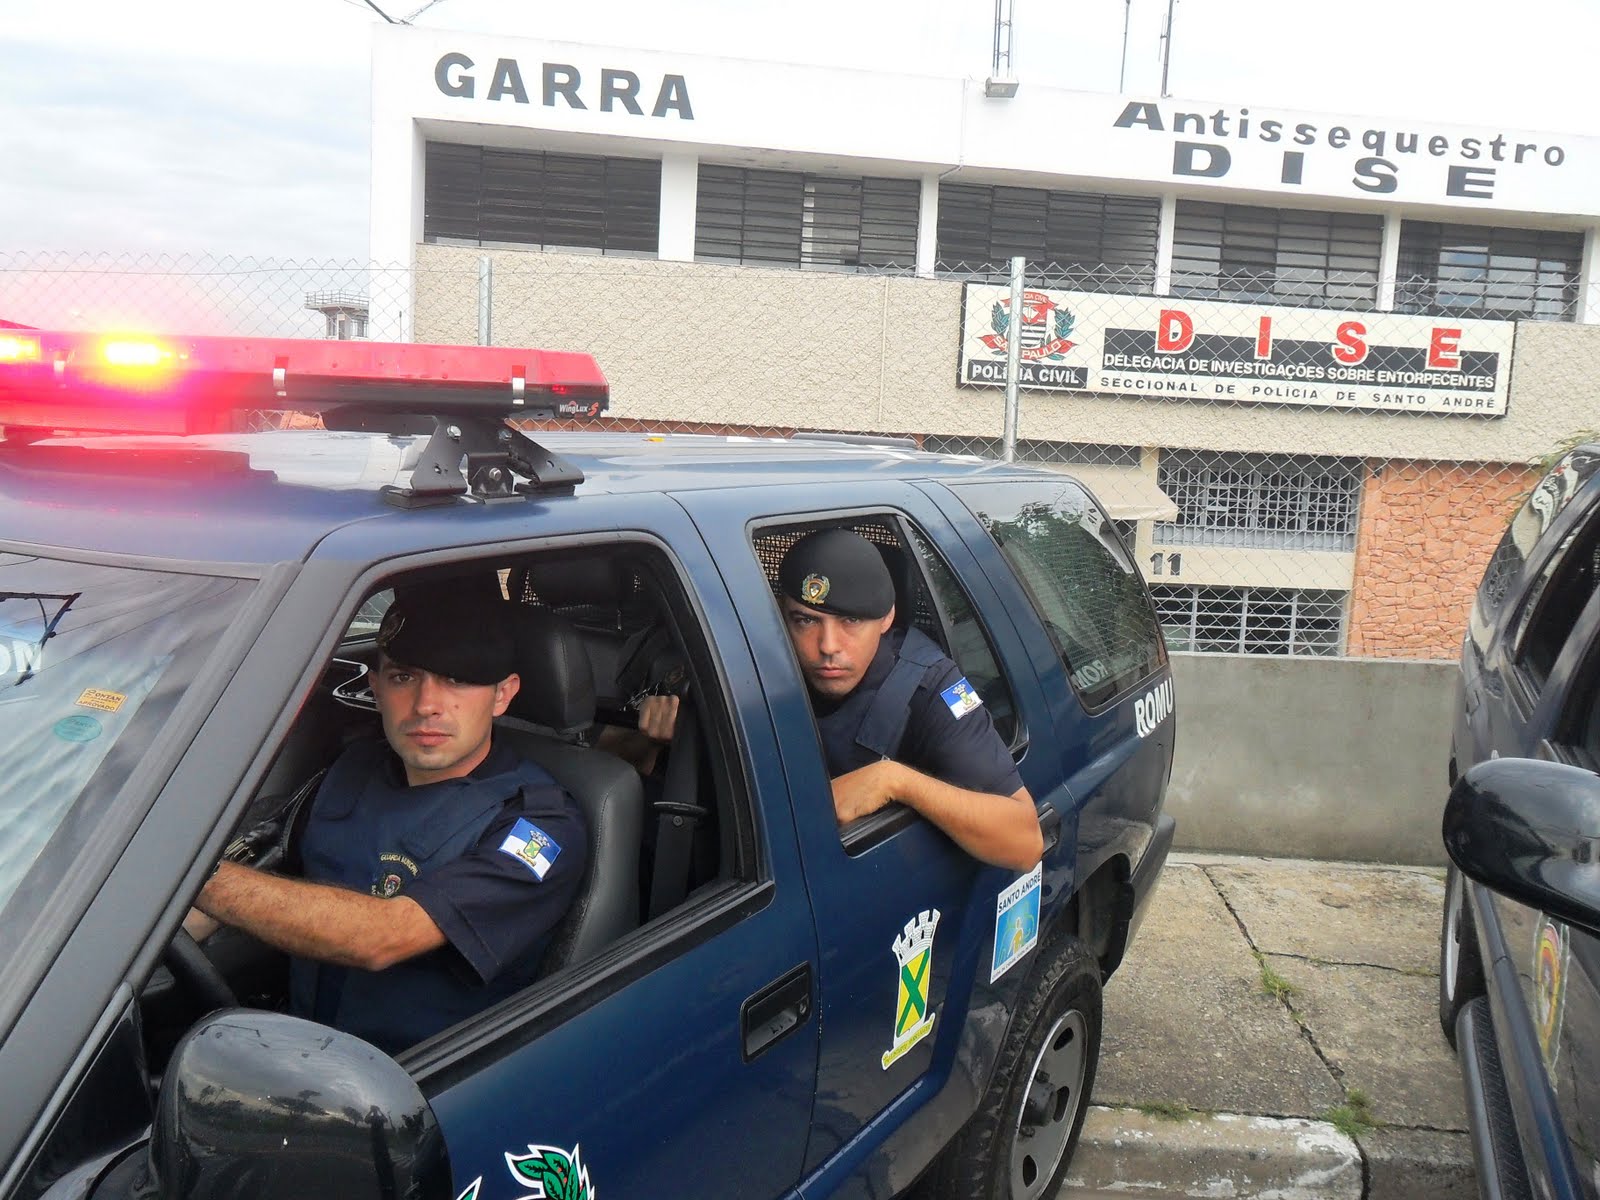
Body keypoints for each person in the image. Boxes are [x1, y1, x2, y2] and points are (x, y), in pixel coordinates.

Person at [189, 587, 588, 1054]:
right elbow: (250, 868)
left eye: (457, 681)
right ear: (375, 689)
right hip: (297, 1056)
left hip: (423, 1089)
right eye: (403, 677)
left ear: (503, 695)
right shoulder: (352, 769)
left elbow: (382, 936)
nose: (426, 705)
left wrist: (187, 876)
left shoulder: (538, 824)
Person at [774, 529, 1042, 871]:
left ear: (887, 617)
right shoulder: (763, 670)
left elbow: (1025, 841)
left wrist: (895, 781)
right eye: (806, 620)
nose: (827, 646)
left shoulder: (929, 685)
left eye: (851, 621)